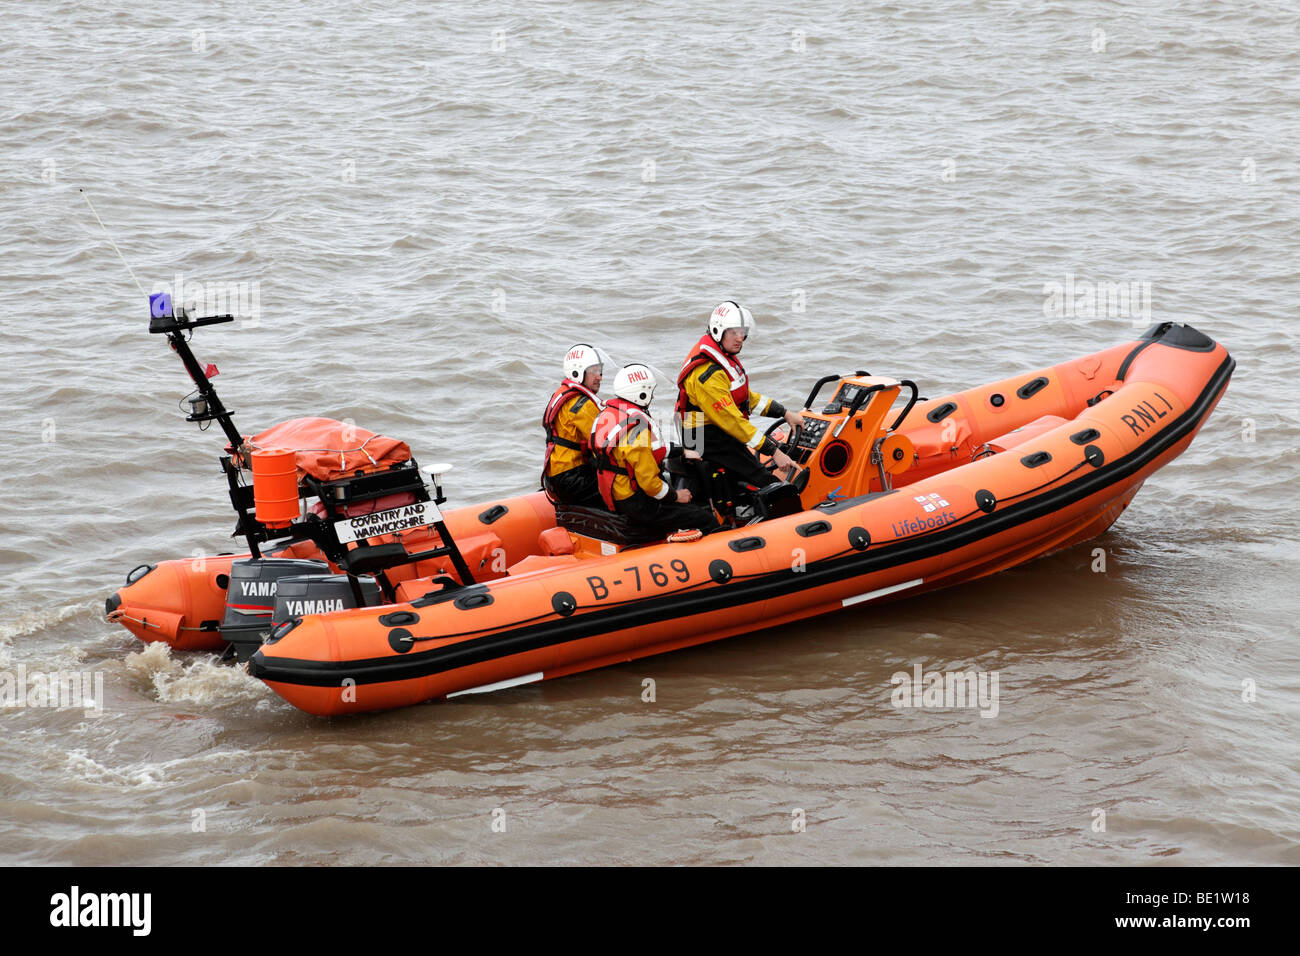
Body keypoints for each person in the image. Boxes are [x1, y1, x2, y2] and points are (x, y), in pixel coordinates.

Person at [676, 301, 805, 498]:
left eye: (743, 332)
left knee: (744, 472)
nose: (740, 338)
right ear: (718, 331)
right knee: (765, 480)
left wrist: (784, 413)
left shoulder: (722, 358)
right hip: (705, 438)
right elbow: (732, 421)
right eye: (733, 332)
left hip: (717, 431)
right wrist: (774, 451)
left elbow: (745, 398)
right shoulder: (708, 375)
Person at [592, 364, 718, 536]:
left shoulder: (607, 415)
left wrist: (680, 451)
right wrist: (676, 496)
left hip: (614, 494)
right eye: (650, 392)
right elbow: (650, 484)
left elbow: (644, 452)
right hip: (636, 502)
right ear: (641, 393)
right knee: (703, 518)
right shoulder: (637, 429)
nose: (652, 396)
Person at [541, 343, 604, 507]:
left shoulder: (563, 393)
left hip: (556, 475)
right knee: (623, 487)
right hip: (572, 478)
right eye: (594, 371)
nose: (599, 377)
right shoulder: (582, 404)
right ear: (577, 372)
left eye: (599, 370)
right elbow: (606, 442)